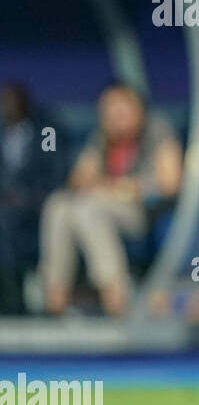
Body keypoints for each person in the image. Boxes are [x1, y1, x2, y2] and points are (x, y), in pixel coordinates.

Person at [39, 82, 182, 316]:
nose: (115, 115)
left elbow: (170, 183)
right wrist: (95, 181)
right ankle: (55, 296)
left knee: (88, 208)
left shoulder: (157, 130)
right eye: (108, 109)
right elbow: (77, 180)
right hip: (100, 205)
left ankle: (115, 294)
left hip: (143, 212)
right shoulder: (103, 138)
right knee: (58, 204)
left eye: (121, 107)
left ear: (137, 107)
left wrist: (120, 187)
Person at [0, 83, 61, 313]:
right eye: (4, 101)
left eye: (14, 100)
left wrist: (27, 196)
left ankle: (13, 300)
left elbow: (54, 170)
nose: (9, 107)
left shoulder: (46, 130)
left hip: (36, 205)